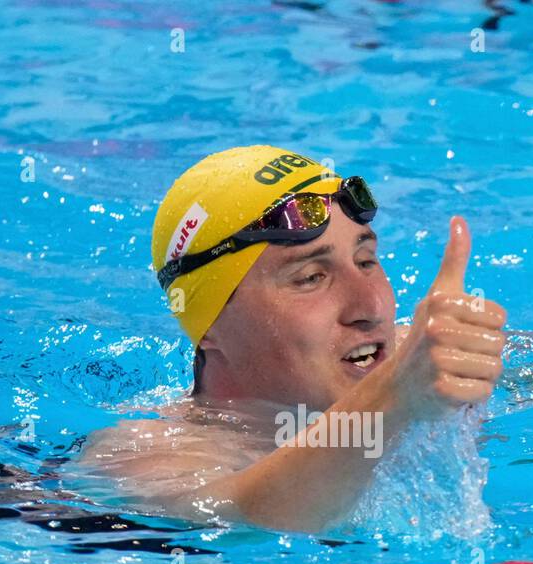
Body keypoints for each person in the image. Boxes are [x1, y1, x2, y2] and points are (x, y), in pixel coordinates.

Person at [79, 145, 508, 534]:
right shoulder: (143, 455)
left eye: (365, 260)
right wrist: (394, 397)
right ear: (210, 324)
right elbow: (251, 514)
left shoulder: (425, 357)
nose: (372, 306)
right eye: (310, 278)